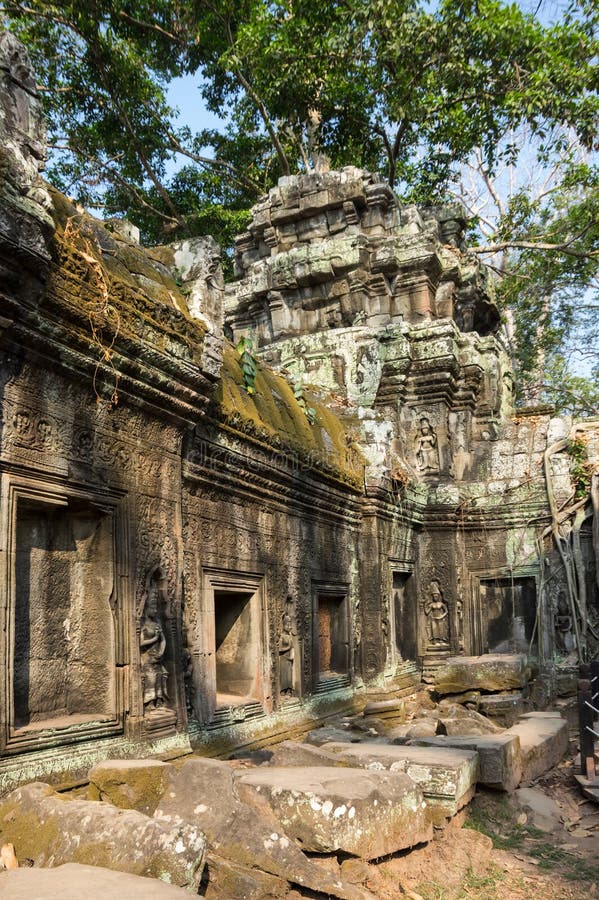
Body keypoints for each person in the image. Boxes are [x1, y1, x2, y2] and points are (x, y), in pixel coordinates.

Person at [140, 585, 169, 709]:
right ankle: (149, 702)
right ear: (146, 608)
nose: (155, 611)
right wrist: (154, 639)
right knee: (151, 678)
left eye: (156, 608)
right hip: (147, 658)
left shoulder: (156, 624)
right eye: (152, 608)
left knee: (160, 677)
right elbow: (141, 643)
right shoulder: (144, 625)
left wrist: (161, 652)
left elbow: (163, 640)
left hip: (157, 657)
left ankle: (158, 700)